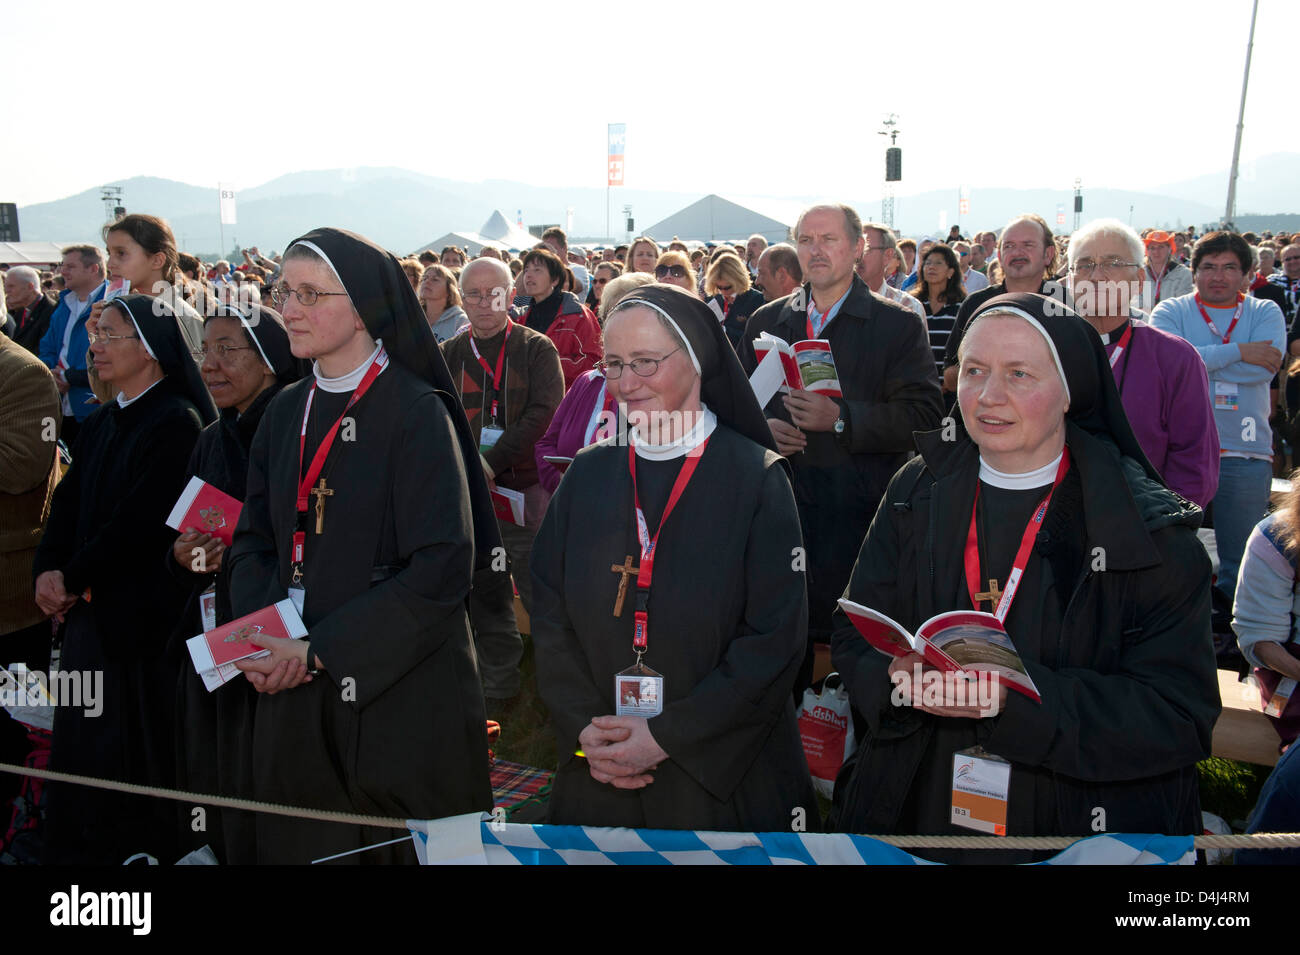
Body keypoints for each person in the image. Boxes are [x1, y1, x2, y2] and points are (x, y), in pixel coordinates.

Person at [829, 292, 1220, 861]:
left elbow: (1178, 715)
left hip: (1073, 824)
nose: (988, 396)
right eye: (974, 371)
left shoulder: (1143, 528)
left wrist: (1014, 703)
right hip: (921, 803)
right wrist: (896, 679)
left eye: (1019, 374)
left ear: (1071, 391)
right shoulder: (916, 488)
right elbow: (853, 633)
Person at [228, 228, 497, 864]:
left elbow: (440, 566)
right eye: (283, 292)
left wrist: (318, 649)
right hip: (288, 673)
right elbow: (252, 542)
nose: (287, 309)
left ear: (364, 307)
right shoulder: (283, 410)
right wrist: (270, 637)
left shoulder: (416, 411)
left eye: (308, 294)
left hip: (391, 689)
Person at [531, 284, 817, 831]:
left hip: (717, 776)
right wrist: (583, 728)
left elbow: (773, 640)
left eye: (645, 362)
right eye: (613, 363)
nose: (626, 382)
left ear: (699, 360)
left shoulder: (754, 479)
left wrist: (666, 737)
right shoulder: (588, 473)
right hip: (602, 760)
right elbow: (548, 613)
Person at [32, 294, 216, 864]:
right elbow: (66, 503)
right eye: (94, 334)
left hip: (143, 624)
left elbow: (138, 523)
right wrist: (48, 570)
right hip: (91, 611)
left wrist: (74, 574)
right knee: (84, 748)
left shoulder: (177, 422)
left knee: (130, 751)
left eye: (110, 334)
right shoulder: (108, 417)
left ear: (152, 348)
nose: (95, 346)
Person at [740, 203, 944, 694]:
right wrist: (763, 429)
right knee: (776, 647)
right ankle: (783, 759)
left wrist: (843, 419)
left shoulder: (895, 324)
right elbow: (737, 408)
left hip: (858, 516)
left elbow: (925, 417)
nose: (816, 249)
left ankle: (852, 764)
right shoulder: (767, 320)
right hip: (780, 510)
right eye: (806, 238)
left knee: (854, 659)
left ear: (857, 249)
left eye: (829, 238)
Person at [167, 302, 306, 864]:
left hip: (279, 629)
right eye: (207, 350)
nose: (212, 364)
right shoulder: (210, 437)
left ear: (271, 359)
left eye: (229, 349)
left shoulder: (297, 429)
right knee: (219, 750)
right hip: (215, 622)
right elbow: (186, 535)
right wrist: (184, 554)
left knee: (269, 756)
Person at [442, 256, 564, 702]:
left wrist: (489, 462)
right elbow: (441, 415)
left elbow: (544, 415)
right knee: (486, 592)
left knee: (540, 591)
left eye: (494, 292)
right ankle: (499, 687)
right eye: (473, 294)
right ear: (463, 299)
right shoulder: (450, 355)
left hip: (524, 490)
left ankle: (559, 692)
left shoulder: (535, 349)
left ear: (511, 296)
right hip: (473, 497)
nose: (484, 302)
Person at [1150, 231, 1286, 602]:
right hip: (1179, 452)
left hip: (1245, 452)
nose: (1218, 276)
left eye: (1229, 268)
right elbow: (1167, 366)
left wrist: (1201, 360)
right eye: (1209, 267)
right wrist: (1240, 350)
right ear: (1194, 272)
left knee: (1241, 559)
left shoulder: (1264, 312)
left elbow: (1263, 372)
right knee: (1170, 551)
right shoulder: (1170, 311)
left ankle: (1231, 634)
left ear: (1246, 275)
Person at [1067, 219, 1218, 508]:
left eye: (1112, 263)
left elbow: (1194, 461)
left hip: (1146, 529)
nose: (1097, 276)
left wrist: (1166, 526)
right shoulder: (1045, 350)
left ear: (1138, 280)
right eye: (1084, 265)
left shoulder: (1175, 358)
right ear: (1070, 280)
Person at [0, 332, 61, 825]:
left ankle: (17, 824)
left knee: (14, 727)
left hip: (9, 599)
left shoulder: (23, 373)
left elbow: (22, 464)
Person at [942, 215, 1069, 395]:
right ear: (1000, 256)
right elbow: (950, 373)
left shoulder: (1063, 304)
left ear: (1048, 254)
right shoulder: (977, 305)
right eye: (1009, 246)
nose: (1017, 253)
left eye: (1027, 245)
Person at [39, 245, 109, 445]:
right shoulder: (64, 304)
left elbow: (113, 355)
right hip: (60, 406)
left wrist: (70, 377)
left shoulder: (111, 304)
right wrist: (50, 373)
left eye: (70, 266)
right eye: (63, 266)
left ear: (93, 269)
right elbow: (48, 346)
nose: (63, 272)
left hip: (92, 408)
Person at [517, 247, 601, 390]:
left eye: (537, 270)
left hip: (567, 400)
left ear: (555, 280)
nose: (529, 275)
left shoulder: (578, 315)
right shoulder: (520, 318)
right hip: (528, 401)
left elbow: (594, 362)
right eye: (526, 270)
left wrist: (548, 361)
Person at [913, 243, 967, 381]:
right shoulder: (913, 304)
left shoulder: (962, 306)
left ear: (950, 271)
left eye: (938, 263)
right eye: (928, 263)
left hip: (950, 387)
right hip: (917, 386)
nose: (931, 267)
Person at [854, 222, 924, 321]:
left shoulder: (908, 307)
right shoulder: (832, 303)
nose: (857, 256)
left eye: (866, 249)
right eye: (854, 248)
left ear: (887, 255)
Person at [704, 252, 763, 350]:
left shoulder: (756, 299)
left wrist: (725, 331)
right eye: (719, 287)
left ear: (738, 280)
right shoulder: (715, 299)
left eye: (727, 287)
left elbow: (756, 338)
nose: (723, 291)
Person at [4, 266, 57, 354]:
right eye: (5, 286)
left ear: (30, 286)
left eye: (11, 286)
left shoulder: (51, 312)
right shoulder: (21, 310)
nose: (6, 291)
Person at [1139, 230, 1193, 311]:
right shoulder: (1139, 273)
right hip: (1145, 321)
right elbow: (1137, 305)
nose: (1156, 251)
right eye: (1152, 248)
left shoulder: (1183, 274)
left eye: (1161, 247)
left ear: (1169, 248)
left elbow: (1183, 307)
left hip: (1172, 321)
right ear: (1147, 251)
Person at [417, 263, 468, 343]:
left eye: (435, 279)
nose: (427, 282)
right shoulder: (411, 316)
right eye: (424, 278)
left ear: (449, 290)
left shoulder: (460, 321)